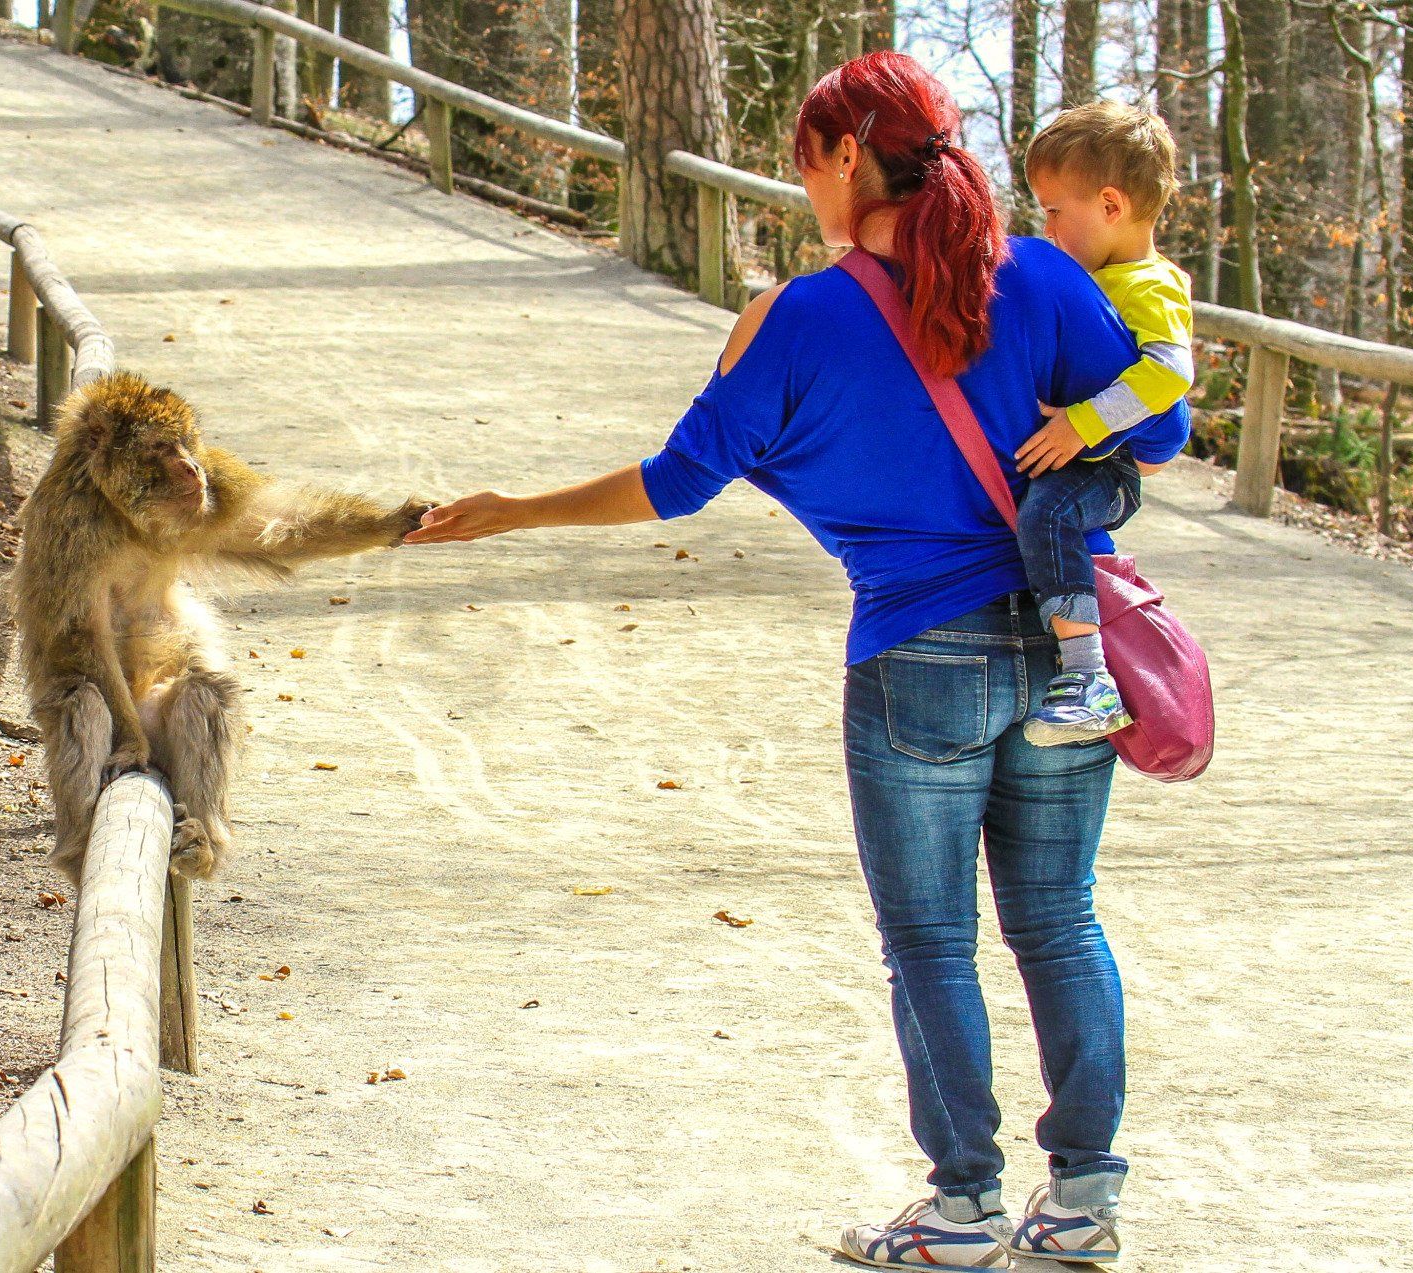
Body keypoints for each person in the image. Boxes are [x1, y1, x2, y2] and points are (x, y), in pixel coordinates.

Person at [405, 51, 1189, 1270]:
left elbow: (672, 485)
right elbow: (1163, 424)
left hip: (915, 657)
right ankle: (1083, 1201)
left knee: (929, 940)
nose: (803, 185)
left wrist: (514, 509)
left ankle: (964, 1209)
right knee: (1059, 922)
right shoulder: (1039, 272)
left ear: (841, 157)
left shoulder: (793, 320)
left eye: (802, 161)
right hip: (1060, 640)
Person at [1013, 102, 1194, 746]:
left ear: (1111, 205)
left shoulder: (1150, 284)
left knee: (1046, 517)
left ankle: (1088, 677)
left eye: (1056, 210)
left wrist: (1083, 425)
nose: (1048, 225)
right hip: (1087, 454)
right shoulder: (1097, 277)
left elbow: (1170, 372)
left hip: (1106, 466)